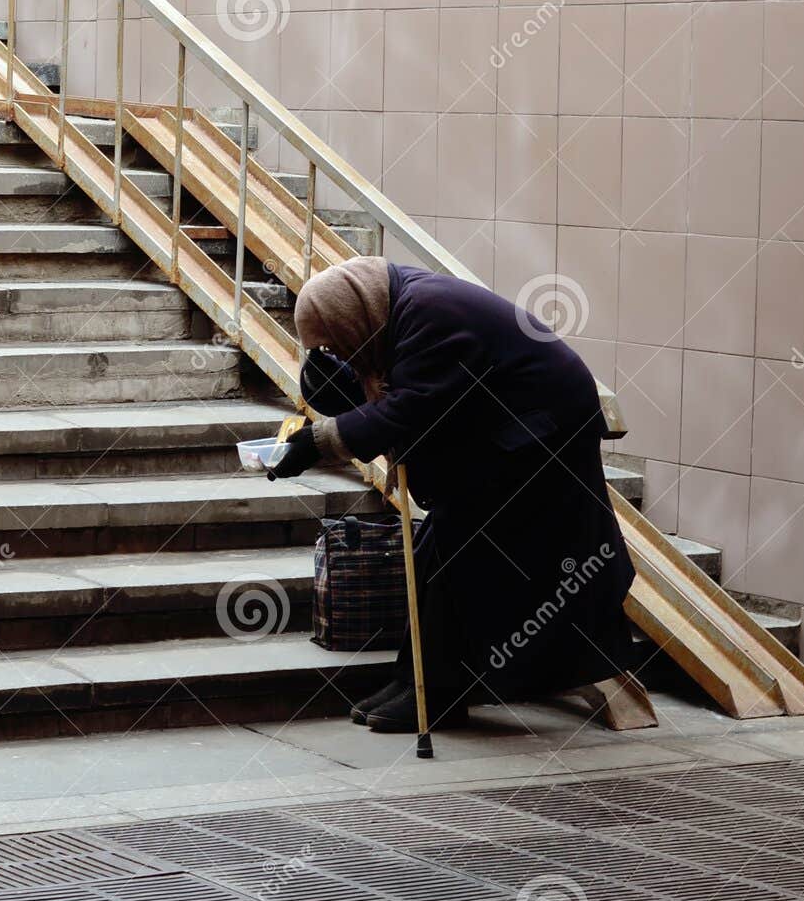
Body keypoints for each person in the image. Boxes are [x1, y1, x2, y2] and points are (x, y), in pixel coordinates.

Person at [269, 256, 638, 733]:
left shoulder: (430, 313)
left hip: (538, 435)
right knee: (434, 548)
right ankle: (413, 680)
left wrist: (322, 441)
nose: (337, 355)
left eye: (336, 344)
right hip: (506, 432)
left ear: (352, 320)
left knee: (460, 556)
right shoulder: (398, 313)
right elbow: (410, 398)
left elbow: (414, 405)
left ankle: (438, 694)